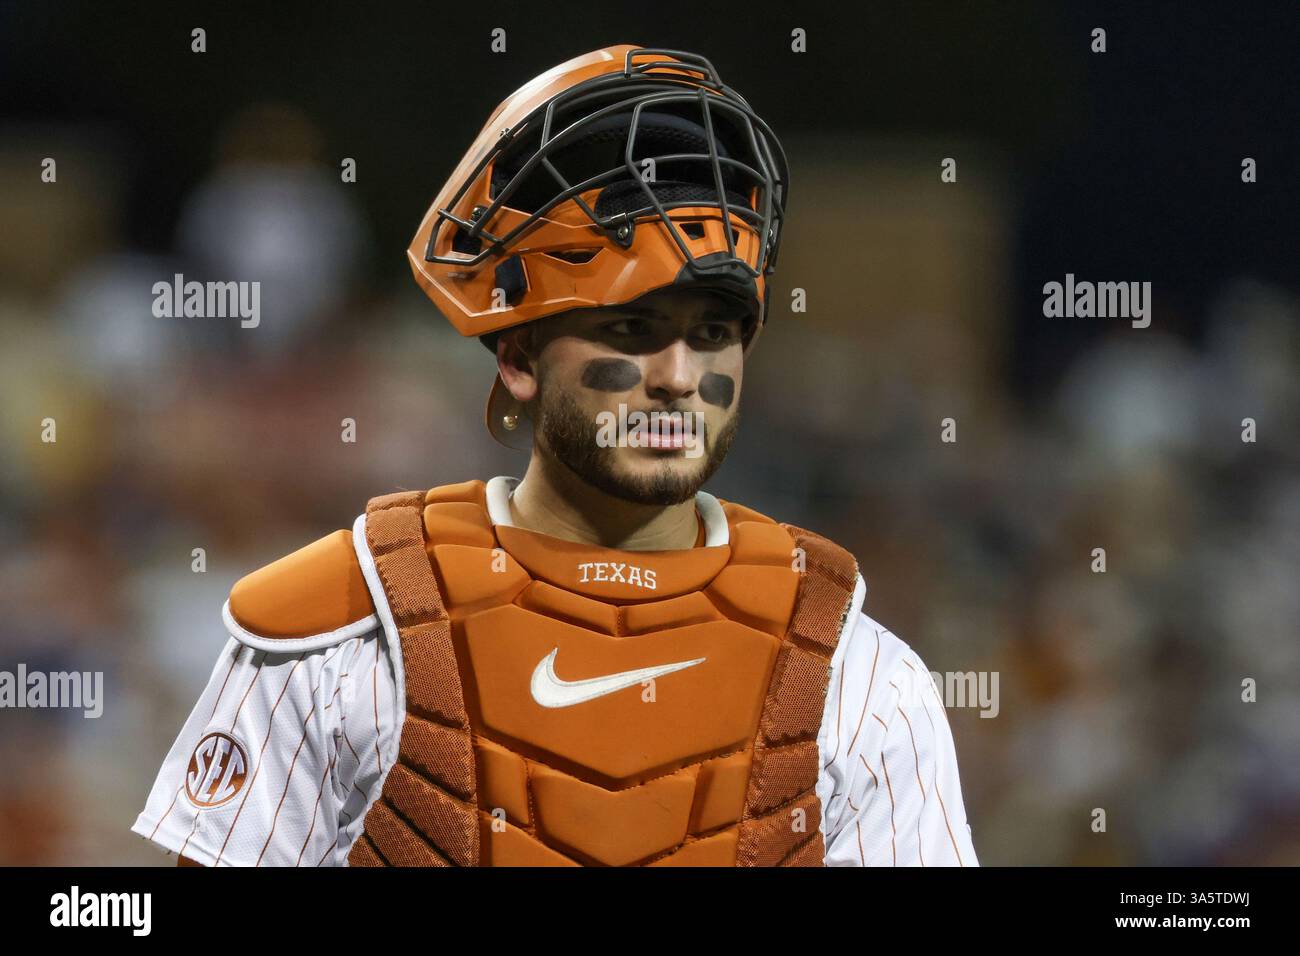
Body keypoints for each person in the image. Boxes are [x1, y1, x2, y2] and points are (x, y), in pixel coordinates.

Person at [132, 44, 977, 867]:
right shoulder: (345, 626)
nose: (679, 379)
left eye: (713, 334)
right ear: (519, 359)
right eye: (630, 329)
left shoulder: (859, 673)